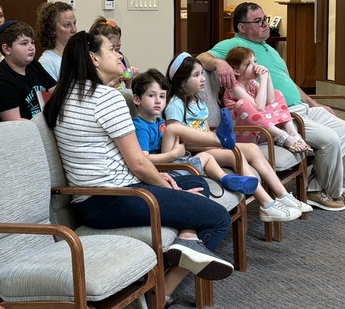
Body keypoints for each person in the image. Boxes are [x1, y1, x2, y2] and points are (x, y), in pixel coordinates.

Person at [43, 31, 234, 299]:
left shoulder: (63, 97)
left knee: (195, 182)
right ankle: (161, 295)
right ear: (93, 59)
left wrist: (168, 184)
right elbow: (137, 164)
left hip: (93, 201)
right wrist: (170, 188)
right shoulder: (105, 99)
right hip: (117, 198)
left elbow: (136, 164)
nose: (119, 54)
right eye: (111, 49)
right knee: (217, 218)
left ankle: (188, 239)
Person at [198, 2, 345, 211]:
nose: (265, 24)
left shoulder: (270, 49)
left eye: (265, 19)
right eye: (258, 21)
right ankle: (326, 191)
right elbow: (201, 57)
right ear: (241, 27)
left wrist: (312, 103)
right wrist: (220, 64)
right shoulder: (233, 45)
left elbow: (287, 82)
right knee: (329, 140)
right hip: (283, 114)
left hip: (300, 107)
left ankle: (318, 187)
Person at [164, 53, 309, 223]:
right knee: (236, 155)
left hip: (208, 145)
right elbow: (178, 140)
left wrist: (211, 139)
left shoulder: (198, 100)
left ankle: (282, 195)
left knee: (253, 149)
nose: (203, 79)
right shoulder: (175, 105)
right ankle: (266, 204)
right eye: (196, 75)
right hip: (193, 151)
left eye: (202, 73)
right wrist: (213, 142)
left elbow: (203, 129)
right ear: (181, 81)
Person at [131, 69, 259, 195]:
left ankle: (225, 179)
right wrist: (174, 154)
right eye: (151, 95)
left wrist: (178, 148)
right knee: (173, 128)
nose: (158, 100)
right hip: (165, 171)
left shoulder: (160, 122)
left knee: (207, 156)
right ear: (137, 99)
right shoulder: (140, 126)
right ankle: (218, 138)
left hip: (178, 164)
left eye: (162, 96)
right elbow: (143, 160)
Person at [221, 46, 312, 154]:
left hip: (262, 129)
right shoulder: (235, 88)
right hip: (243, 132)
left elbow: (271, 100)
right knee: (243, 104)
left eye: (255, 61)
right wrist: (263, 80)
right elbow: (259, 107)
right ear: (236, 71)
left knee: (277, 93)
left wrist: (267, 76)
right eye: (249, 64)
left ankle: (292, 132)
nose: (255, 66)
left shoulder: (252, 83)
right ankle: (282, 135)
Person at [0, 20, 56, 121]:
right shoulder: (0, 82)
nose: (31, 47)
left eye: (32, 42)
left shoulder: (32, 65)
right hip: (23, 133)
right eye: (24, 43)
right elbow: (18, 126)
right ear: (7, 49)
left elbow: (55, 90)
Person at [89, 16, 138, 88]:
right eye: (111, 49)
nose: (119, 56)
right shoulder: (92, 70)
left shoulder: (123, 59)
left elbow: (129, 89)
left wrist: (129, 77)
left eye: (118, 48)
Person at [35, 1, 78, 80]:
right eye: (67, 25)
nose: (74, 30)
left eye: (74, 23)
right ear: (52, 30)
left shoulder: (78, 54)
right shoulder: (47, 62)